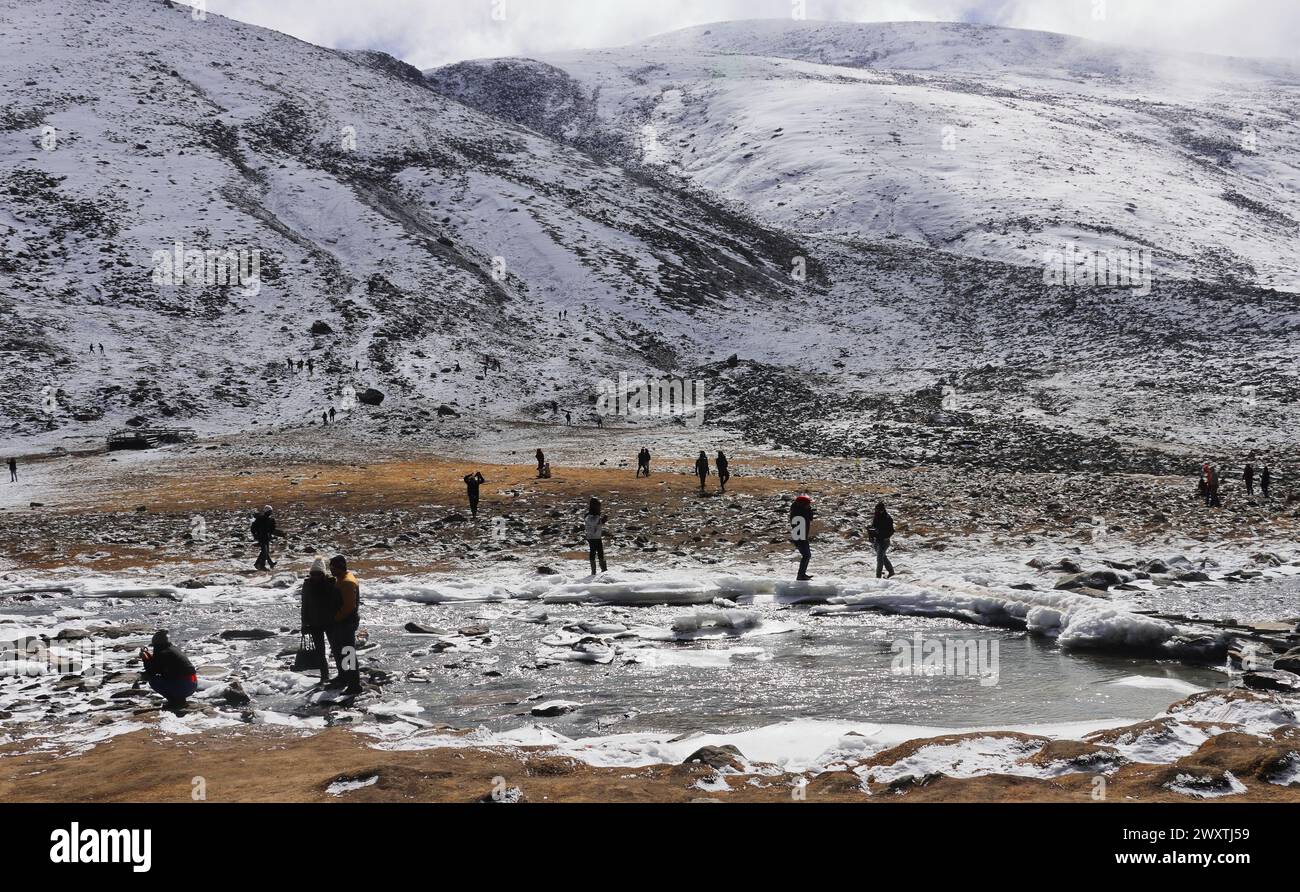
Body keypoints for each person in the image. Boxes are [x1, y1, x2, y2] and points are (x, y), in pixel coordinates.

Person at [301, 558, 341, 685]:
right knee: (320, 651)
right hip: (314, 623)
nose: (315, 576)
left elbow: (337, 603)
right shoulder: (307, 585)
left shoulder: (331, 583)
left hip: (330, 622)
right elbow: (305, 605)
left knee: (336, 649)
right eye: (313, 574)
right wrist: (304, 623)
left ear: (323, 574)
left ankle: (342, 674)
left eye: (318, 574)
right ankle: (324, 676)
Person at [327, 556, 362, 695]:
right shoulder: (342, 579)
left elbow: (349, 606)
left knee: (348, 652)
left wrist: (335, 618)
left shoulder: (347, 582)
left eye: (333, 568)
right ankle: (344, 677)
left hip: (346, 622)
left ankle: (354, 684)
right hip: (342, 622)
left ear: (340, 567)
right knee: (340, 651)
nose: (331, 570)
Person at [140, 630, 198, 707]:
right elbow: (160, 665)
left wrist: (145, 659)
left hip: (183, 686)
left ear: (157, 644)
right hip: (192, 684)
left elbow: (152, 671)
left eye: (154, 646)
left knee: (152, 679)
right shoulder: (171, 649)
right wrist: (149, 658)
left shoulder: (162, 653)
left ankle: (175, 701)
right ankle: (179, 699)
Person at [790, 495, 815, 582]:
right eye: (808, 504)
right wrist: (809, 510)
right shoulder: (802, 513)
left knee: (806, 555)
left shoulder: (796, 511)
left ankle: (802, 574)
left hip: (798, 536)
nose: (809, 506)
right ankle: (801, 575)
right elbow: (810, 518)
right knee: (807, 555)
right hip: (800, 537)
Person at [869, 502, 897, 579]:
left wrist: (882, 534)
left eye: (879, 510)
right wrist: (871, 532)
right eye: (877, 510)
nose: (877, 511)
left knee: (879, 559)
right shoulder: (876, 517)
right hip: (877, 540)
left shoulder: (887, 518)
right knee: (882, 557)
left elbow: (891, 531)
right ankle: (891, 571)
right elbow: (873, 527)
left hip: (884, 541)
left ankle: (878, 576)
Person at [585, 498, 608, 576]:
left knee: (600, 553)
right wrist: (601, 519)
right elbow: (593, 523)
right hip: (592, 538)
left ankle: (604, 570)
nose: (599, 507)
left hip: (597, 537)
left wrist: (602, 520)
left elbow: (597, 523)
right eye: (598, 505)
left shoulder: (594, 515)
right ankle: (593, 572)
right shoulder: (588, 516)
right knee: (593, 553)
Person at [251, 505, 278, 571]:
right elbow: (253, 528)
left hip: (266, 537)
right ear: (268, 511)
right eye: (270, 511)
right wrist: (255, 535)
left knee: (265, 551)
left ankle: (268, 563)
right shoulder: (261, 519)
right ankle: (261, 565)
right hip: (261, 537)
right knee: (265, 551)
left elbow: (272, 529)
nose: (271, 512)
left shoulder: (270, 519)